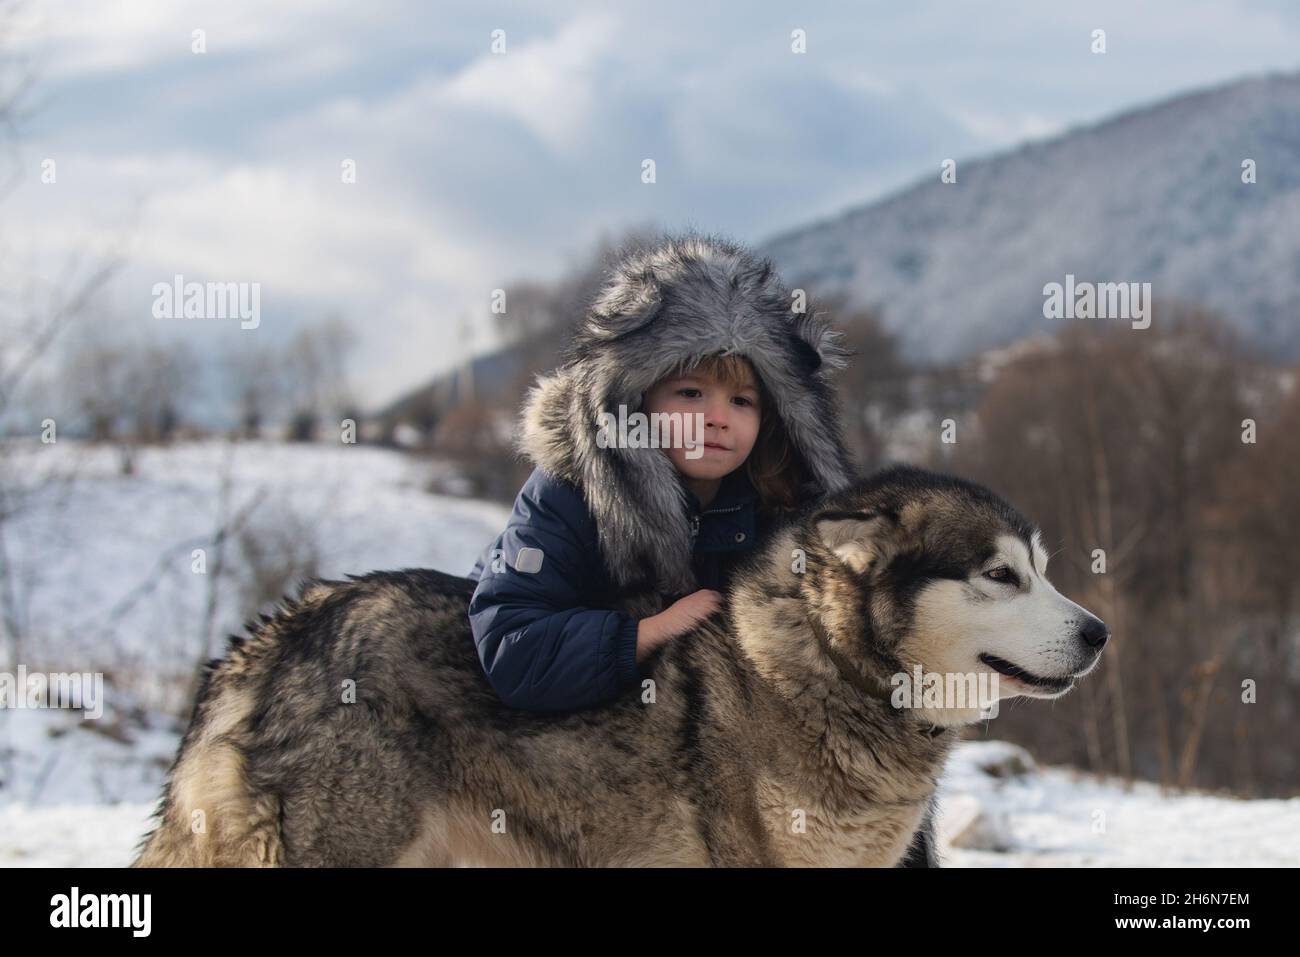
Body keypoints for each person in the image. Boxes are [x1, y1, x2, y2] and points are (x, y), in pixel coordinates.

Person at [466, 231, 856, 712]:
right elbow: (514, 649)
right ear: (636, 401)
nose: (718, 417)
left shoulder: (783, 507)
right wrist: (649, 632)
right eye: (690, 393)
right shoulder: (569, 490)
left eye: (741, 401)